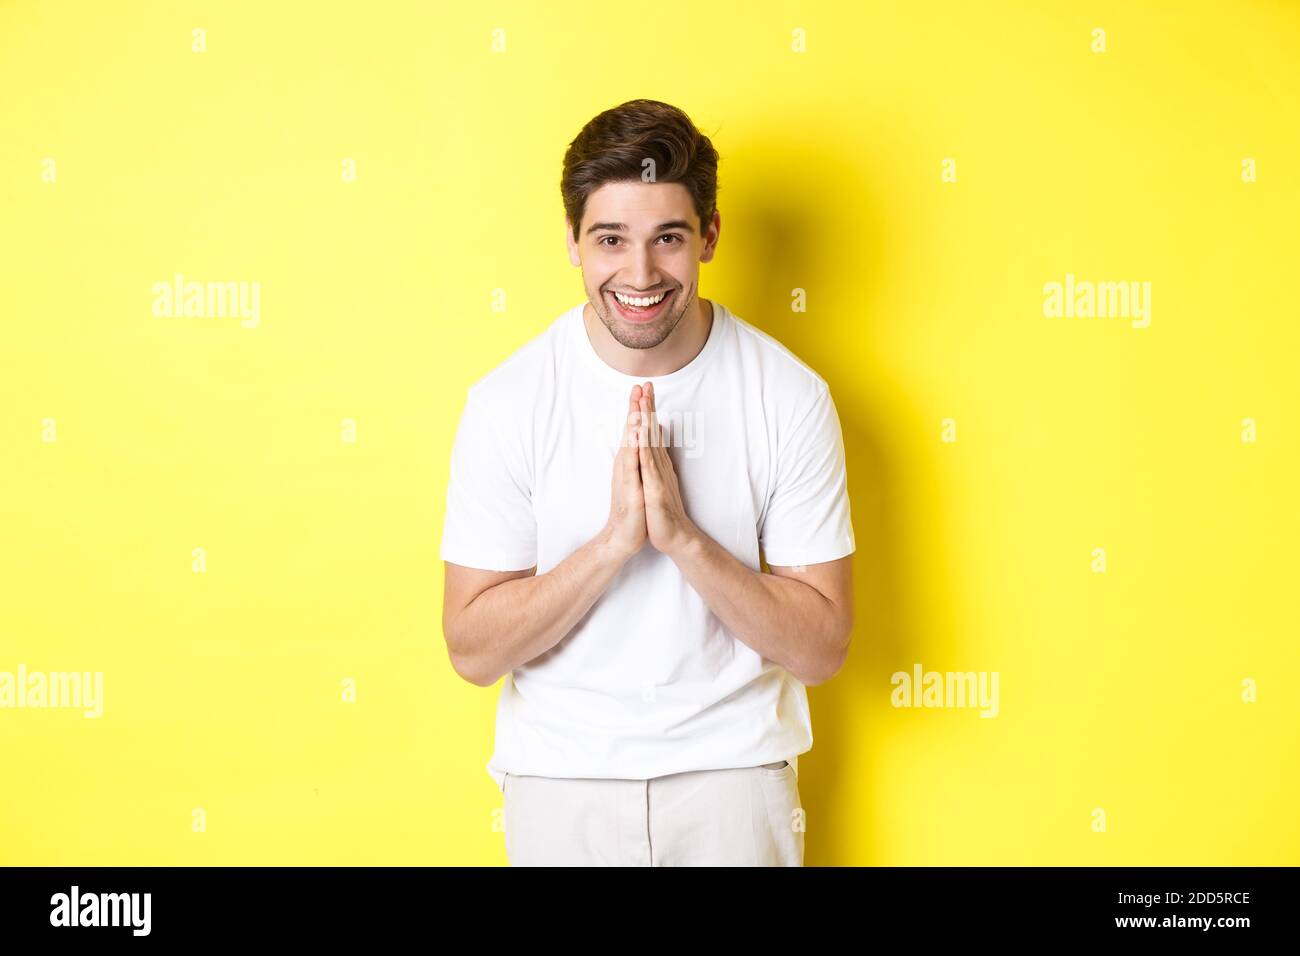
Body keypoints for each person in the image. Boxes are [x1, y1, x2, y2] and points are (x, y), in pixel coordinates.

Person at [440, 99, 855, 866]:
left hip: (735, 780)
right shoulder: (508, 401)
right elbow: (471, 651)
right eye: (610, 239)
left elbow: (822, 648)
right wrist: (611, 546)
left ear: (710, 237)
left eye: (668, 237)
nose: (639, 274)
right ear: (572, 242)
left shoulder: (790, 396)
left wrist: (685, 541)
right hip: (560, 783)